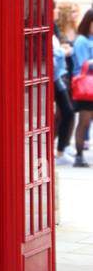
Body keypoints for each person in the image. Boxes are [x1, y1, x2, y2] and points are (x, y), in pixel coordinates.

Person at [73, 8, 93, 168]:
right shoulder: (81, 41)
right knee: (84, 121)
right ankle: (79, 156)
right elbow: (83, 64)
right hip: (86, 87)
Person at [55, 24, 75, 166]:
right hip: (53, 78)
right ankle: (59, 150)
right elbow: (51, 56)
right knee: (65, 113)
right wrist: (63, 51)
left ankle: (61, 150)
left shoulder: (53, 31)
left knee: (67, 113)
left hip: (57, 78)